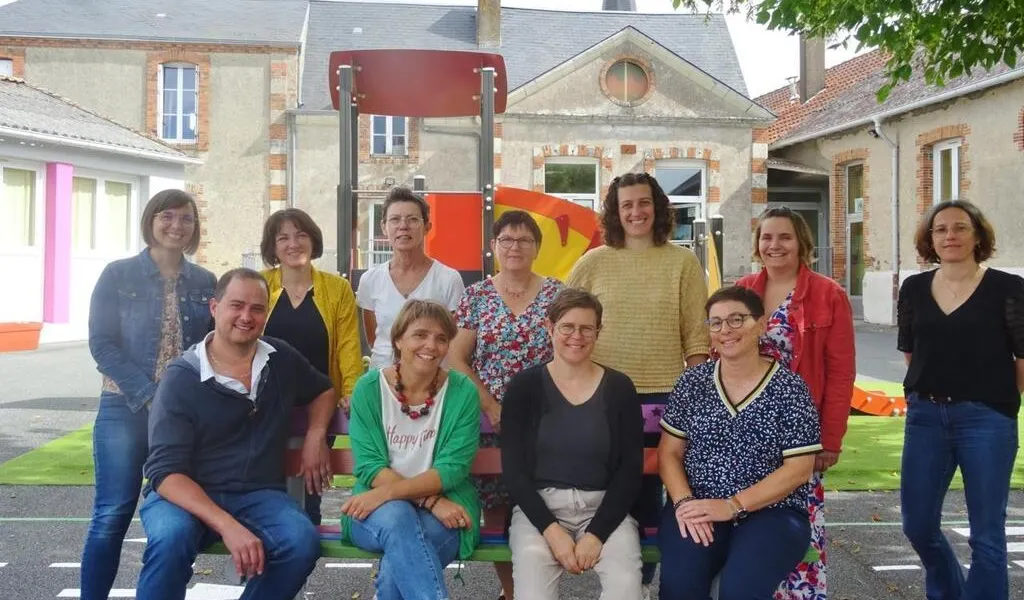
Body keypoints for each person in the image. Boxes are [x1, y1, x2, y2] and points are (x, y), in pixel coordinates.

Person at [136, 268, 336, 600]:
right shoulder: (182, 377)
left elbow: (323, 390)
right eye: (236, 305)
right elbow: (165, 473)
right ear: (215, 308)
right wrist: (228, 526)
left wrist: (316, 434)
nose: (246, 316)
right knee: (171, 538)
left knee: (300, 542)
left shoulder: (280, 357)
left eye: (257, 309)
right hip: (185, 495)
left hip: (256, 493)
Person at [567, 171, 710, 595]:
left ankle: (642, 584)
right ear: (614, 212)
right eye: (626, 204)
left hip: (665, 396)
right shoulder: (592, 262)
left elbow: (696, 339)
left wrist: (694, 398)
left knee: (651, 492)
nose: (635, 212)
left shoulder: (683, 262)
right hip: (603, 395)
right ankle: (617, 575)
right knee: (610, 490)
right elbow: (564, 326)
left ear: (658, 207)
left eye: (643, 203)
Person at [81, 189, 217, 600]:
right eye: (167, 216)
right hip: (124, 408)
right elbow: (102, 344)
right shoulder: (118, 275)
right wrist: (148, 393)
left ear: (195, 228)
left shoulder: (205, 282)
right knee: (112, 513)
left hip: (181, 417)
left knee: (174, 515)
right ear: (151, 221)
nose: (176, 225)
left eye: (186, 219)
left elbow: (211, 348)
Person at [658, 285, 822, 600]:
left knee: (740, 591)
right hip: (699, 504)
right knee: (680, 588)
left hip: (773, 512)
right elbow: (670, 453)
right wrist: (684, 503)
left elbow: (799, 469)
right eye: (716, 323)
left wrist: (733, 505)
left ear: (761, 325)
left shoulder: (789, 388)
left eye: (737, 320)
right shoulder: (694, 382)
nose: (725, 330)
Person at [897, 200, 1023, 600]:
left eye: (960, 228)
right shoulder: (914, 288)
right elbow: (912, 353)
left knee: (987, 534)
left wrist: (994, 398)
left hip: (986, 419)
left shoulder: (1009, 288)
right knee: (917, 526)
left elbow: (1022, 359)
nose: (950, 235)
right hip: (926, 417)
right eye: (940, 229)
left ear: (977, 235)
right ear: (930, 238)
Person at [736, 206, 855, 599]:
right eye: (767, 237)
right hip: (745, 431)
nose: (775, 245)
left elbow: (841, 373)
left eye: (784, 237)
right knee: (747, 524)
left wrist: (830, 438)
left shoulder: (828, 294)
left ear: (801, 243)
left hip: (798, 434)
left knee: (798, 531)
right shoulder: (742, 290)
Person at [501, 288, 644, 600]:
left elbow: (631, 468)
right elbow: (513, 471)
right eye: (567, 326)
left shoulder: (619, 387)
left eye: (586, 328)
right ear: (550, 328)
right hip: (539, 510)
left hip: (604, 508)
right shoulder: (525, 387)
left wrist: (596, 535)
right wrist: (552, 532)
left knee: (626, 590)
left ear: (598, 332)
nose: (576, 336)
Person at [450, 209, 564, 600]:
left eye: (525, 240)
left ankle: (539, 587)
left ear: (537, 248)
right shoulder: (476, 296)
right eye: (507, 240)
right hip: (491, 422)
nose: (515, 247)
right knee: (497, 510)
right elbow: (456, 358)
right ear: (494, 246)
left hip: (546, 421)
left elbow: (570, 353)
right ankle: (513, 591)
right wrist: (492, 406)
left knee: (542, 507)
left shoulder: (556, 294)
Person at [341, 299, 481, 600]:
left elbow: (452, 469)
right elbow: (369, 466)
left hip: (447, 505)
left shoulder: (462, 391)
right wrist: (429, 502)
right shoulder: (368, 389)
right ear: (398, 339)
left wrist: (389, 493)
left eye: (441, 338)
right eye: (420, 334)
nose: (431, 345)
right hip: (379, 510)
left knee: (399, 561)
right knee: (398, 519)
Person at [260, 208, 362, 525]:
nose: (293, 243)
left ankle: (298, 561)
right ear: (272, 246)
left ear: (313, 239)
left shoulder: (337, 289)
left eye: (301, 234)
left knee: (307, 500)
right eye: (283, 237)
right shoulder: (259, 285)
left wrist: (351, 392)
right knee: (266, 496)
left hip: (318, 407)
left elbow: (348, 346)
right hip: (262, 409)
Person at [357, 187, 465, 370]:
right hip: (383, 379)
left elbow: (455, 339)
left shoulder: (449, 279)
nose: (403, 226)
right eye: (395, 219)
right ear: (384, 227)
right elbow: (375, 338)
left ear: (427, 227)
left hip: (432, 381)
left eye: (412, 219)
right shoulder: (370, 280)